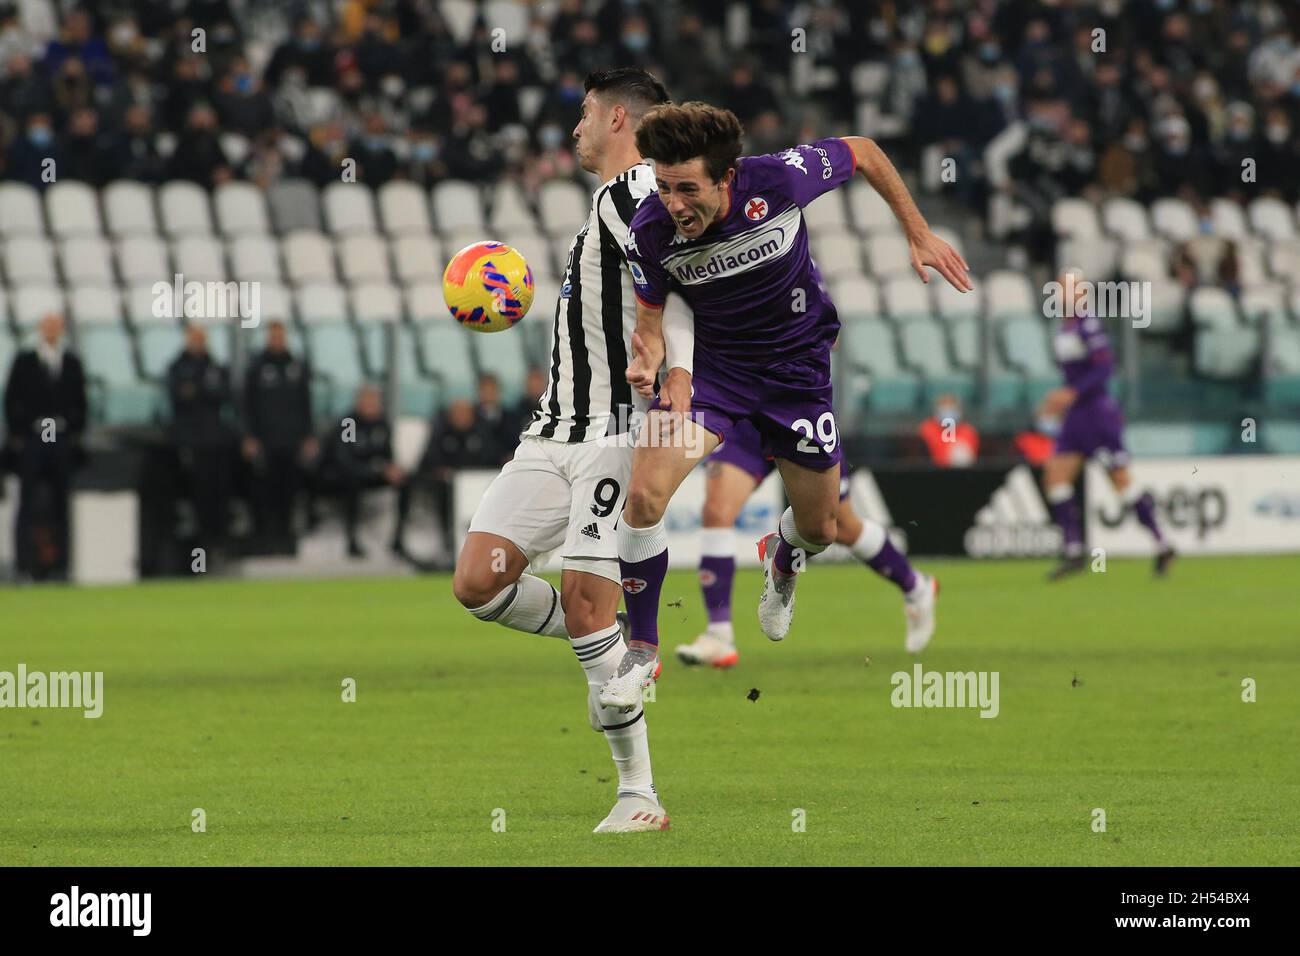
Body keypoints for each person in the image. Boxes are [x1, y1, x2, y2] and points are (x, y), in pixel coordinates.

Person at [602, 102, 970, 710]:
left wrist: (919, 231)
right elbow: (651, 320)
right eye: (664, 186)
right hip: (719, 379)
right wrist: (652, 362)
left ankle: (785, 553)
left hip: (798, 378)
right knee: (644, 494)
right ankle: (642, 650)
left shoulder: (776, 179)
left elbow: (865, 151)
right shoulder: (650, 229)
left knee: (823, 528)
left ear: (727, 178)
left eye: (687, 188)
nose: (673, 202)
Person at [450, 68, 682, 834]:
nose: (574, 129)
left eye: (584, 115)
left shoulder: (634, 190)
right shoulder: (617, 200)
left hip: (612, 433)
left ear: (619, 118)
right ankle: (612, 650)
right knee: (477, 582)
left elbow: (665, 273)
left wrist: (666, 359)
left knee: (587, 605)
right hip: (553, 432)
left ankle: (637, 794)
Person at [678, 416, 938, 668]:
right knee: (717, 511)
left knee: (842, 528)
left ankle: (916, 587)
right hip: (746, 423)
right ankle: (719, 635)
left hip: (796, 416)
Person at [1041, 270, 1174, 580]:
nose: (1062, 294)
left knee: (1120, 481)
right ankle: (1074, 549)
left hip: (1097, 413)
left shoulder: (1088, 325)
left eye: (1069, 289)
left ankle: (1163, 543)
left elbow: (1104, 368)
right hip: (1076, 415)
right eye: (1059, 288)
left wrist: (1072, 393)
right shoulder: (1065, 327)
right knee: (1055, 476)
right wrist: (1061, 400)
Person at [3, 313, 86, 580]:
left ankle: (61, 565)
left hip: (60, 441)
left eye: (56, 326)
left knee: (62, 504)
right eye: (47, 325)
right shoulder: (25, 362)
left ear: (61, 329)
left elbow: (80, 403)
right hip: (32, 440)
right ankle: (24, 564)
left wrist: (69, 428)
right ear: (41, 329)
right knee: (26, 503)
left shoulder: (71, 363)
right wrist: (23, 431)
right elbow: (12, 400)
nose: (51, 330)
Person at [241, 321, 315, 552]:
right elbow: (247, 405)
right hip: (265, 440)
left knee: (290, 489)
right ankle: (265, 536)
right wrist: (249, 436)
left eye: (280, 336)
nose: (277, 340)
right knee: (264, 489)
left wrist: (308, 435)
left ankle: (287, 537)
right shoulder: (257, 367)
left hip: (292, 440)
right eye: (273, 336)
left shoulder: (297, 366)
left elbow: (306, 404)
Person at [313, 384, 410, 560]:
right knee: (352, 482)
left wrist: (391, 469)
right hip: (340, 475)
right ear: (358, 402)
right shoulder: (349, 424)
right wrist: (377, 469)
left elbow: (388, 455)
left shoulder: (381, 424)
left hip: (372, 473)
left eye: (375, 401)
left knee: (406, 481)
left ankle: (398, 540)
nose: (372, 405)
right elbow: (345, 459)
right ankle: (352, 541)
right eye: (367, 401)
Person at [167, 323, 234, 553]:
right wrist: (204, 391)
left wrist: (196, 390)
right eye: (194, 337)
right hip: (191, 442)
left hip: (215, 441)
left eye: (201, 337)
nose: (198, 341)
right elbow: (178, 396)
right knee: (197, 495)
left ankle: (220, 542)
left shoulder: (215, 365)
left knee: (220, 493)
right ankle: (200, 549)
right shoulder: (177, 366)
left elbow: (224, 393)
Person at [919, 394, 979, 467]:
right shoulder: (926, 429)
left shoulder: (968, 431)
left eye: (951, 409)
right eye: (944, 409)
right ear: (936, 411)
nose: (947, 413)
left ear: (959, 411)